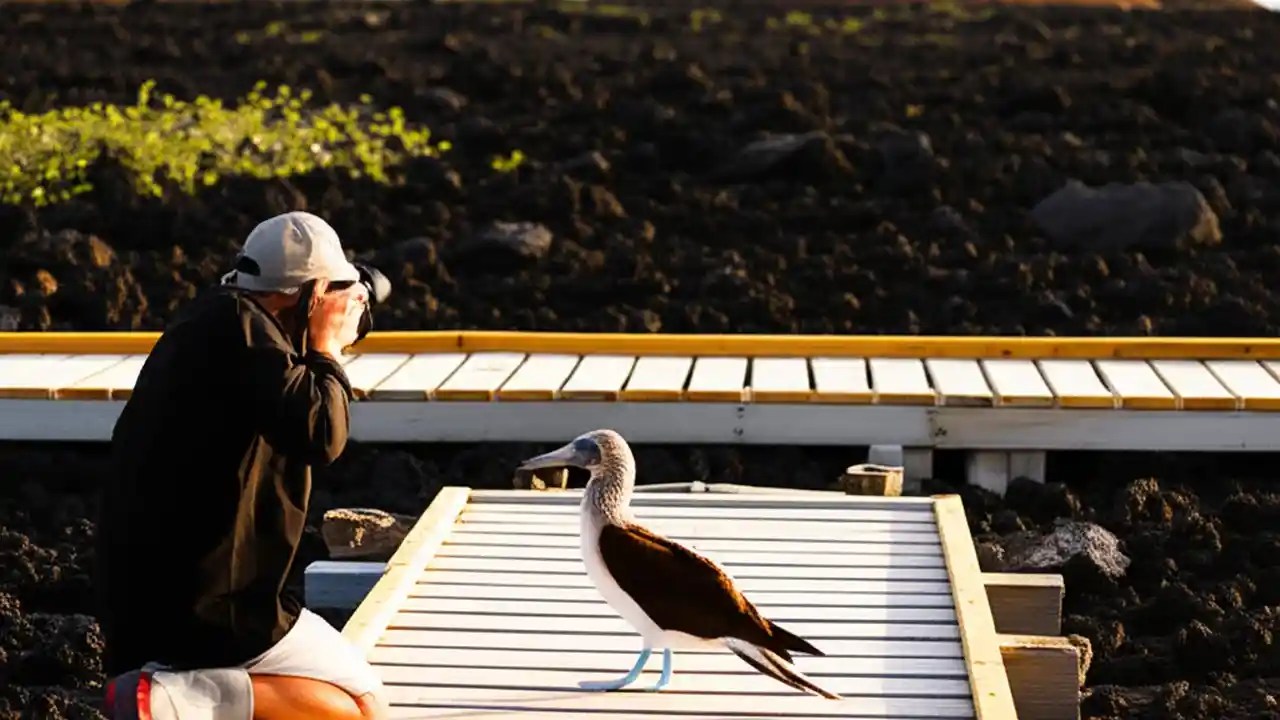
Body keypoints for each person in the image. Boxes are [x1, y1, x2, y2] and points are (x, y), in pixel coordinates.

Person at [94, 211, 390, 720]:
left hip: (139, 606)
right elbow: (322, 435)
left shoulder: (211, 321)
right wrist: (326, 347)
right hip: (213, 612)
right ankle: (171, 699)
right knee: (363, 707)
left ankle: (185, 693)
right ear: (315, 292)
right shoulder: (248, 337)